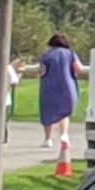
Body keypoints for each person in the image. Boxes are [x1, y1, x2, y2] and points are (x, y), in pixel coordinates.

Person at [37, 32, 81, 161]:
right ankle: (64, 134)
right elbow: (79, 68)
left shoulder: (47, 55)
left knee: (48, 111)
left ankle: (48, 139)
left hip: (49, 86)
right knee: (64, 111)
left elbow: (42, 71)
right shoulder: (71, 54)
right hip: (67, 85)